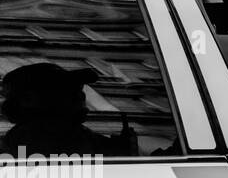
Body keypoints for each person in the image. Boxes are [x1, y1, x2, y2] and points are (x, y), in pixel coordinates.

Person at [0, 63, 136, 158]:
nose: (81, 95)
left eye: (79, 89)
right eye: (67, 89)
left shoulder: (75, 132)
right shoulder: (42, 135)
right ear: (30, 99)